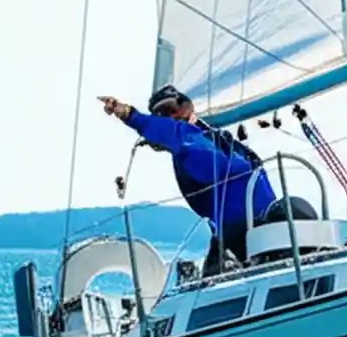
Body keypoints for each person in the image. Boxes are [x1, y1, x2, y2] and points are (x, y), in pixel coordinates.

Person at [97, 86, 276, 274]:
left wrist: (130, 115)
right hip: (241, 233)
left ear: (187, 107)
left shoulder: (205, 138)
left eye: (174, 108)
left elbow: (173, 131)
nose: (172, 115)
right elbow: (170, 130)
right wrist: (128, 114)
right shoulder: (190, 141)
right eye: (163, 114)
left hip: (261, 226)